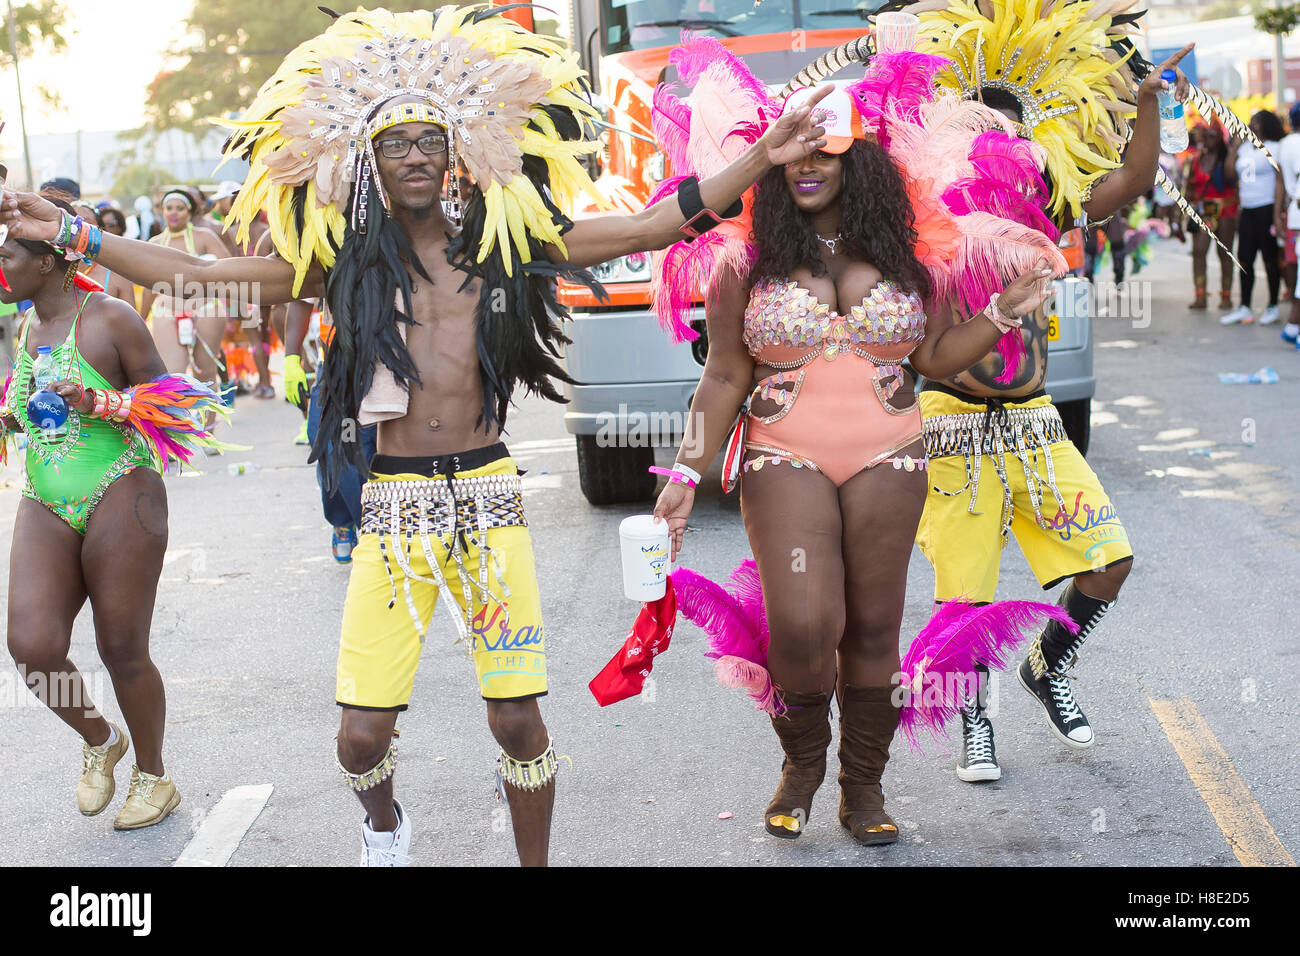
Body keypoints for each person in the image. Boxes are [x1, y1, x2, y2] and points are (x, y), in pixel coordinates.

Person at [2, 5, 831, 867]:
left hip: (486, 499)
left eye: (429, 139)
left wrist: (760, 158)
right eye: (394, 142)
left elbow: (650, 226)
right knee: (360, 739)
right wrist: (72, 233)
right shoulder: (342, 262)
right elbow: (199, 273)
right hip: (394, 509)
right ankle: (385, 827)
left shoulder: (508, 247)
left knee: (517, 720)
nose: (414, 156)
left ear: (457, 152)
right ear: (371, 159)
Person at [652, 68, 1058, 844]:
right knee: (804, 624)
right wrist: (681, 473)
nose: (805, 168)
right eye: (793, 155)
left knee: (873, 627)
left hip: (891, 455)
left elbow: (935, 358)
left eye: (825, 154)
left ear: (857, 162)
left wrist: (1003, 312)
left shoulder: (913, 251)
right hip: (784, 453)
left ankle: (862, 787)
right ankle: (802, 762)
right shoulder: (745, 258)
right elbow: (725, 373)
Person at [892, 0, 1194, 783]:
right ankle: (974, 729)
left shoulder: (1045, 206)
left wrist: (1149, 101)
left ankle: (1047, 664)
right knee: (964, 601)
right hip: (954, 423)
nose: (997, 150)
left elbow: (1129, 179)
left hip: (1031, 421)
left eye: (1009, 138)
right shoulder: (929, 220)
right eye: (977, 137)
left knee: (1110, 561)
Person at [0, 195, 224, 831]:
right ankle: (100, 737)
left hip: (121, 488)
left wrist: (99, 402)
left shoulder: (113, 317)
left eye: (8, 253)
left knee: (121, 645)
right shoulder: (26, 326)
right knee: (33, 646)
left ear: (50, 259)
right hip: (45, 496)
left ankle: (154, 776)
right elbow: (27, 410)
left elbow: (173, 409)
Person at [144, 189, 230, 401]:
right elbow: (147, 286)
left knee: (205, 372)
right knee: (172, 377)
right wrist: (141, 318)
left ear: (190, 212)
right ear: (162, 212)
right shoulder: (154, 244)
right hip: (166, 311)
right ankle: (180, 429)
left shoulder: (204, 237)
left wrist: (240, 306)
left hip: (206, 308)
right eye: (169, 208)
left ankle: (208, 429)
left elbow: (229, 269)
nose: (174, 213)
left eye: (180, 208)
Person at [1223, 110, 1284, 326]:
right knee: (1244, 258)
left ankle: (1272, 306)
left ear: (1267, 125)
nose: (1254, 126)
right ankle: (1245, 307)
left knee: (1269, 259)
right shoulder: (1245, 148)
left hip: (1266, 208)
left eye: (1258, 122)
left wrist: (1277, 214)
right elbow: (1230, 175)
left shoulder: (1276, 147)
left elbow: (1280, 182)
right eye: (1252, 122)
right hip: (1247, 210)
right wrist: (1234, 148)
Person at [1183, 120, 1239, 311]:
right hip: (1203, 212)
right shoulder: (1196, 159)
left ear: (1220, 138)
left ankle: (1226, 296)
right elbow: (1189, 187)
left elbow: (1233, 180)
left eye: (1214, 136)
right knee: (1199, 252)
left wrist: (1233, 150)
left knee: (1224, 253)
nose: (1210, 139)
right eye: (1207, 135)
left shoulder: (1227, 159)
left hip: (1225, 211)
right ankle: (1200, 296)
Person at [1273, 101, 1300, 350]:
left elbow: (1280, 181)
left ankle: (1293, 323)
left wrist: (1276, 214)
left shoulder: (1285, 144)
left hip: (1293, 213)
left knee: (1294, 264)